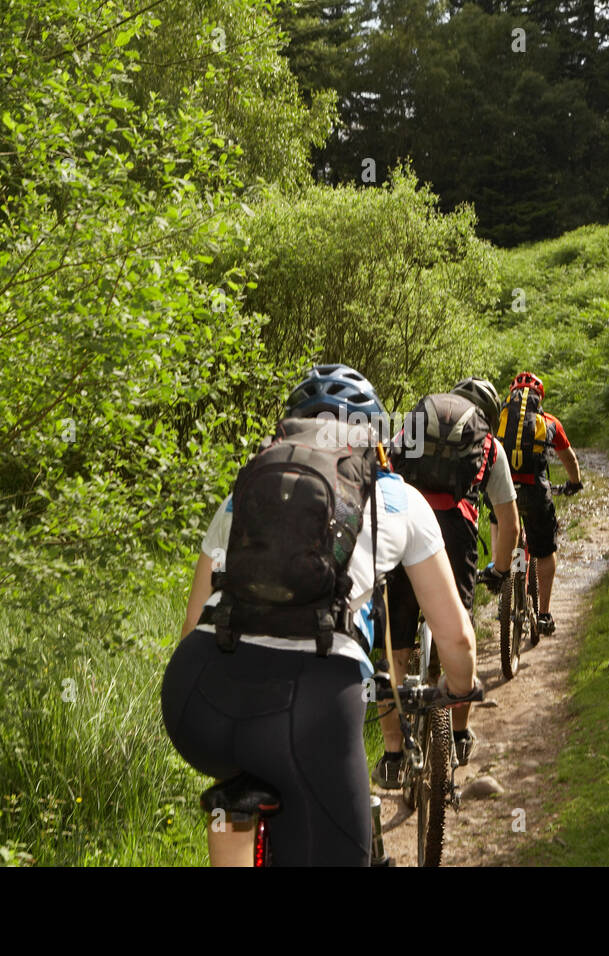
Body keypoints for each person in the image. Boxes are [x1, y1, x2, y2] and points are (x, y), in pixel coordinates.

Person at [160, 364, 480, 866]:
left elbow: (191, 626)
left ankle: (236, 823)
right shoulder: (398, 499)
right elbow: (456, 639)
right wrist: (460, 689)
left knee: (236, 790)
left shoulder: (240, 498)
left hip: (195, 703)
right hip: (311, 709)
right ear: (372, 435)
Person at [373, 377, 520, 788]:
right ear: (486, 415)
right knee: (457, 632)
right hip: (453, 537)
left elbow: (384, 469)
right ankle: (456, 737)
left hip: (404, 525)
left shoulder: (413, 425)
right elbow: (507, 522)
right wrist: (502, 570)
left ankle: (391, 756)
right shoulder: (491, 446)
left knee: (393, 647)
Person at [486, 371, 582, 636]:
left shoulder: (499, 420)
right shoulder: (548, 422)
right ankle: (544, 615)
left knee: (500, 523)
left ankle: (503, 579)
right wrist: (574, 483)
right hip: (536, 492)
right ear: (540, 398)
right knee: (544, 551)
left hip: (503, 492)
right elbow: (569, 459)